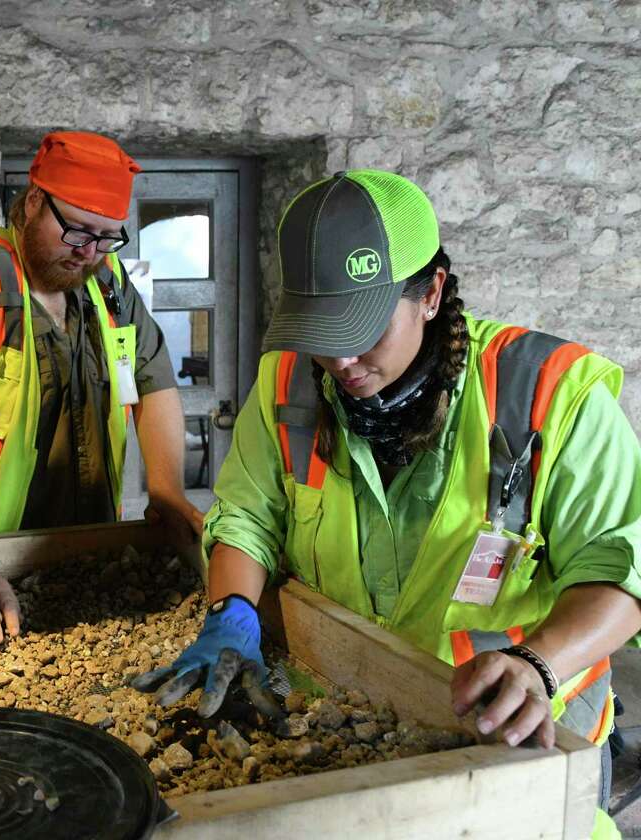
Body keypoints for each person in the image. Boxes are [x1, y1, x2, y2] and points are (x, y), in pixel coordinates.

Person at [134, 169, 641, 838]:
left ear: (430, 294)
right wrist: (231, 615)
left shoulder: (551, 395)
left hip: (514, 746)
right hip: (353, 739)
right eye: (321, 328)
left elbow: (617, 575)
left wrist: (536, 665)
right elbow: (248, 517)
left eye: (362, 327)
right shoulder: (289, 382)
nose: (339, 357)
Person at [0, 131, 203, 645]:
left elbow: (153, 379)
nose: (89, 252)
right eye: (76, 232)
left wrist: (166, 490)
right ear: (33, 202)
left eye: (106, 237)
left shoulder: (106, 281)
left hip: (77, 552)